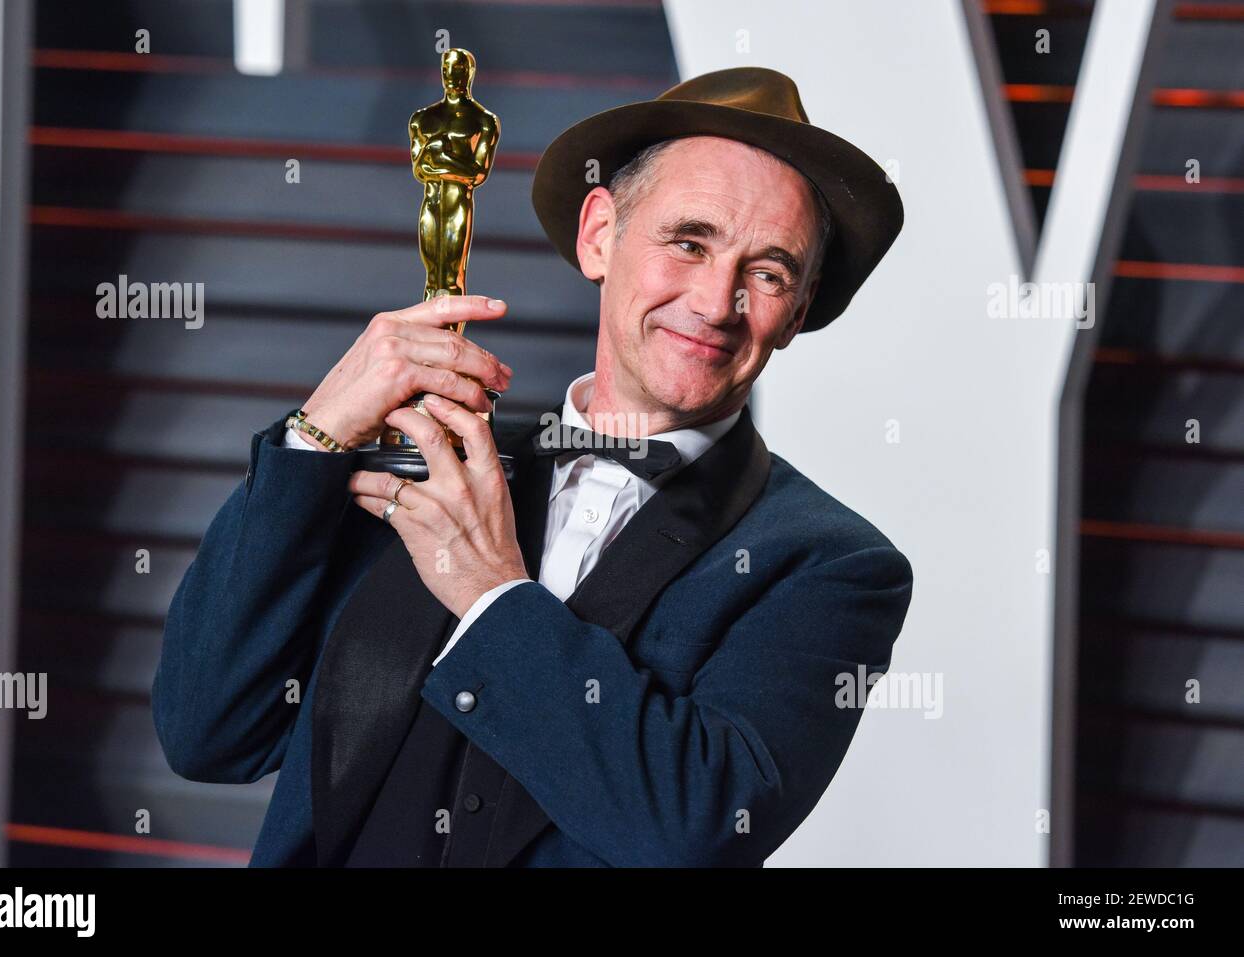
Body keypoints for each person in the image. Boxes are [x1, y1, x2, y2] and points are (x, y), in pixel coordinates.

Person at [152, 66, 912, 867]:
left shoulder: (834, 564)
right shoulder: (428, 459)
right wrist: (318, 434)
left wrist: (491, 594)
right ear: (600, 235)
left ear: (797, 309)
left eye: (767, 273)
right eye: (689, 242)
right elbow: (208, 731)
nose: (716, 302)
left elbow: (702, 829)